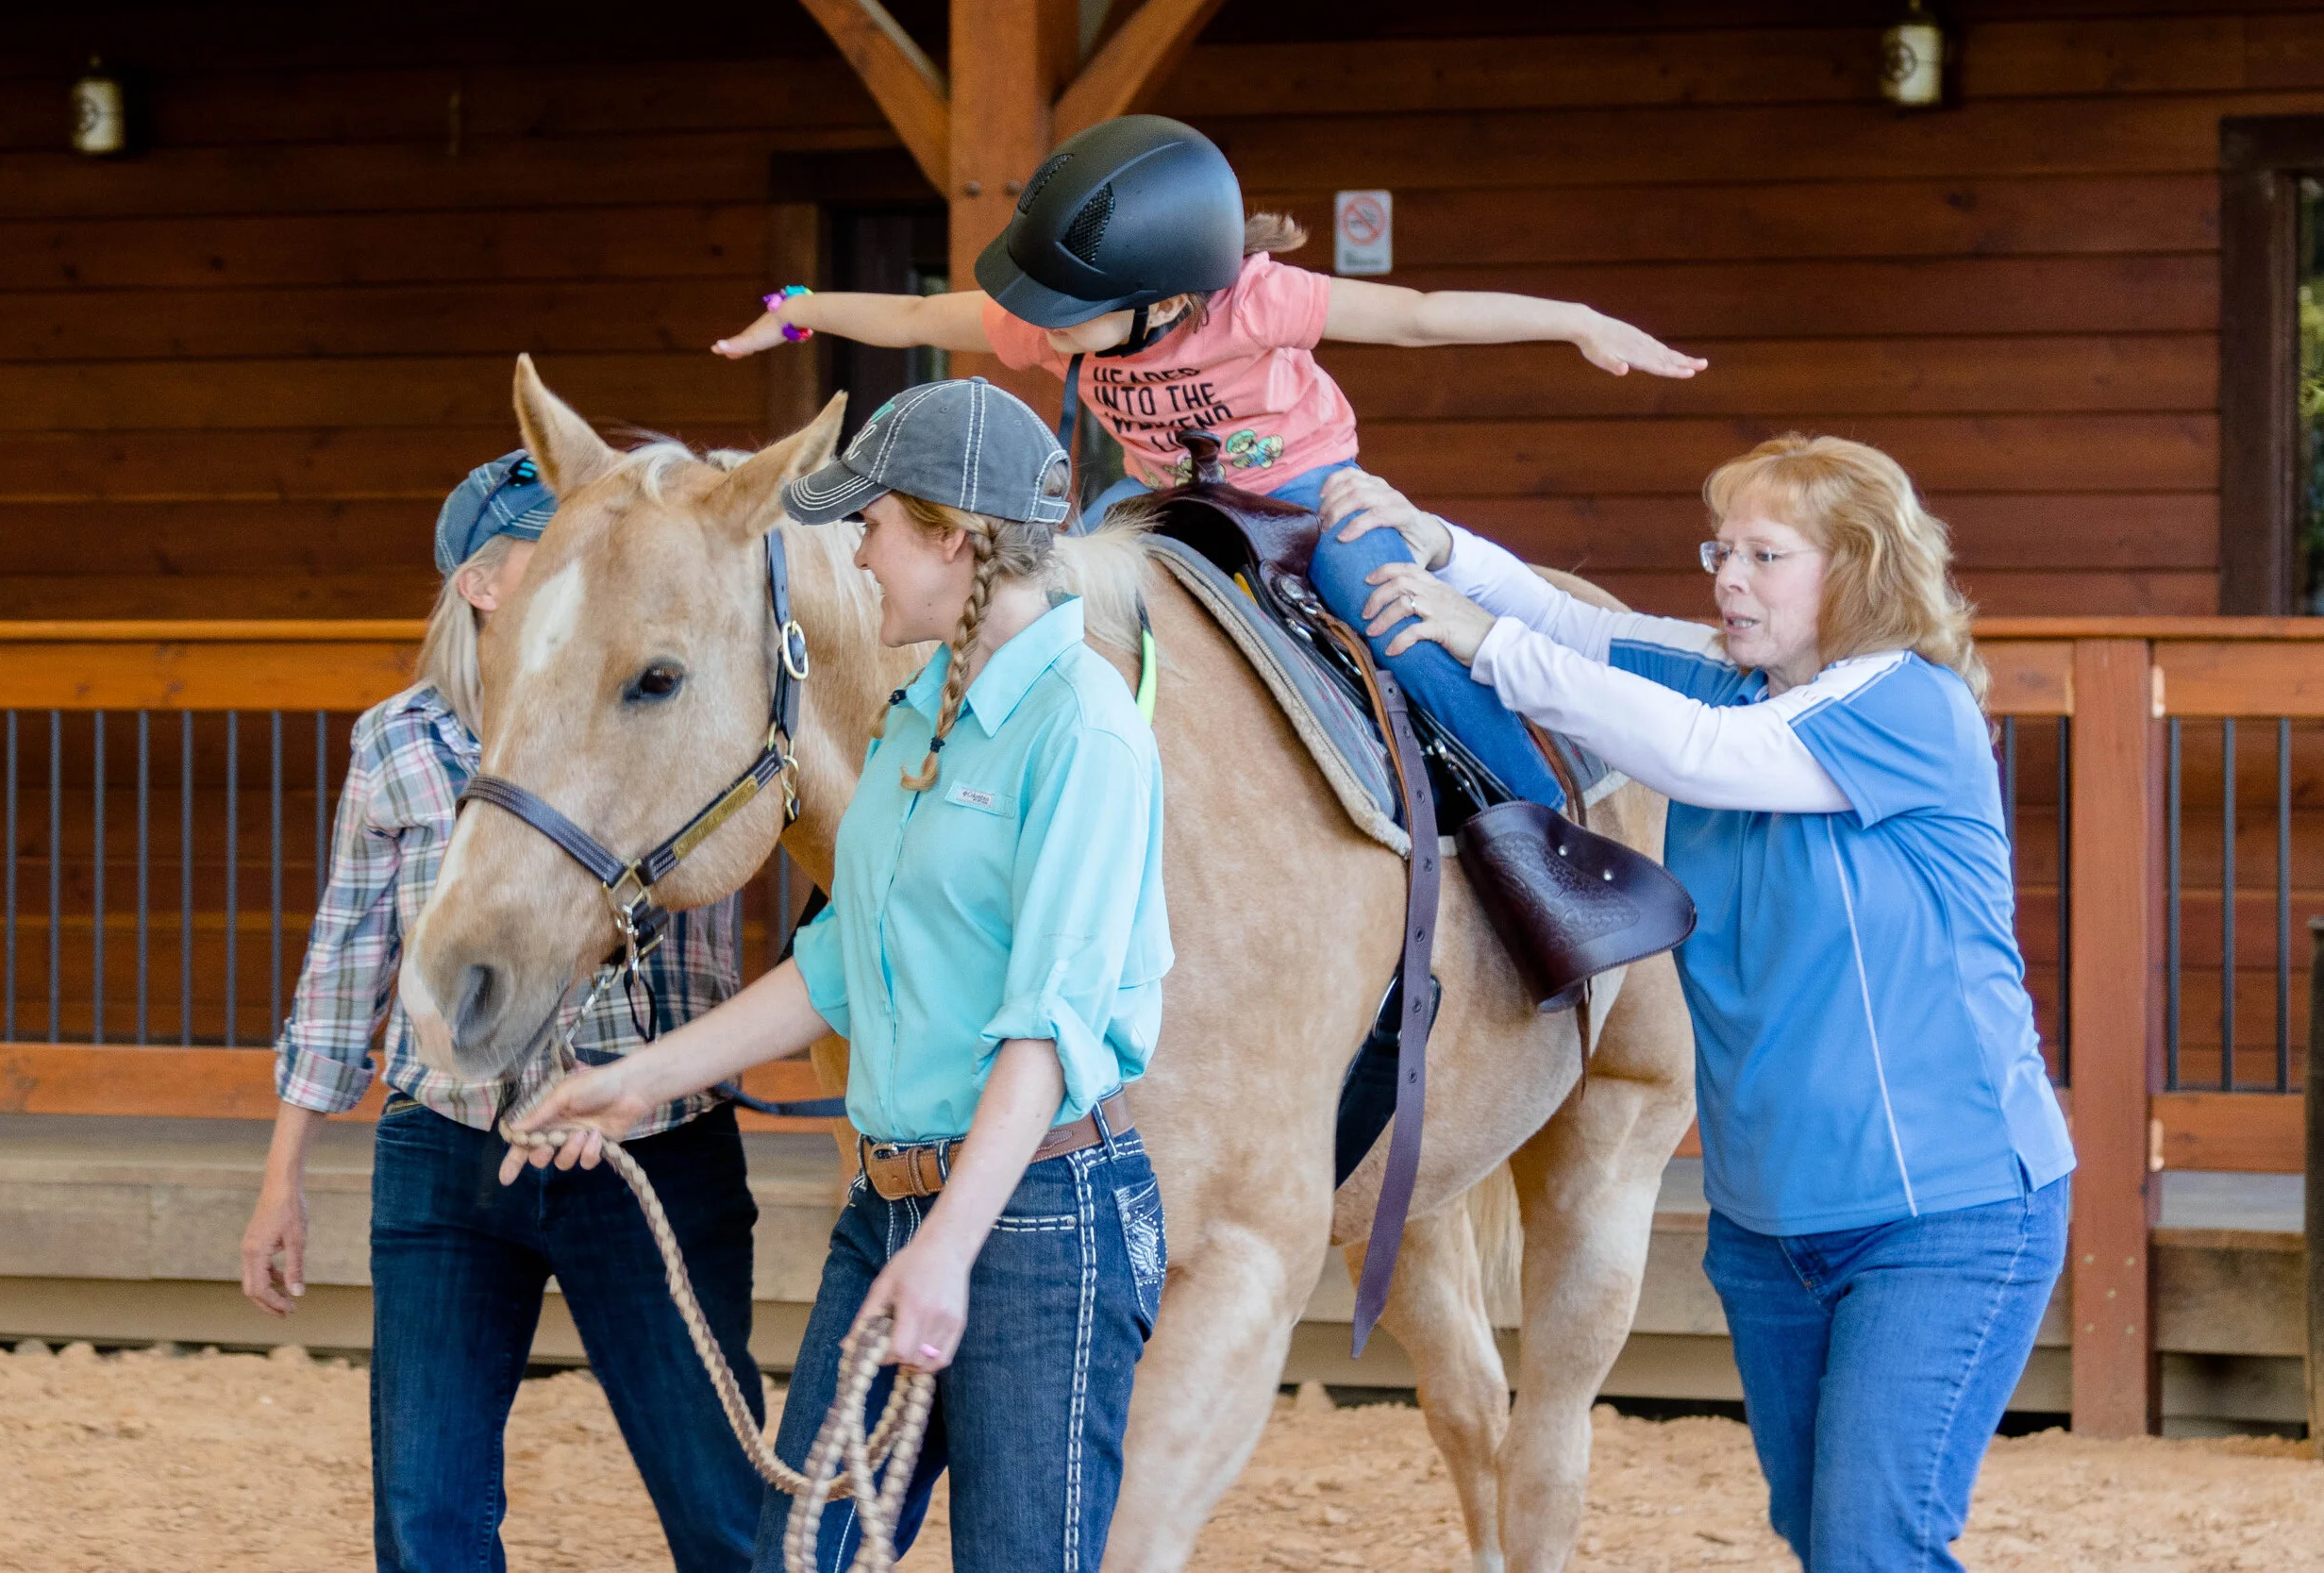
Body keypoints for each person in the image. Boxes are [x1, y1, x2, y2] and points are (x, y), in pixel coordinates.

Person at [1324, 437, 2075, 1572]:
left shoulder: (1901, 704)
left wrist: (1491, 646)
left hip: (1947, 1214)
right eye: (1720, 547)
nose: (1726, 575)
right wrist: (1437, 544)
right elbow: (1576, 624)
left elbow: (1698, 751)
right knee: (1822, 1536)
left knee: (1873, 1545)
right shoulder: (1735, 678)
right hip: (1773, 1227)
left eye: (1765, 554)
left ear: (1860, 570)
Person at [507, 378, 1172, 1573]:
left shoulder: (1086, 730)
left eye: (870, 525)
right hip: (891, 1203)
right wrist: (635, 1080)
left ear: (953, 540)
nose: (853, 552)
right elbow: (840, 964)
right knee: (791, 1558)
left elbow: (1049, 1029)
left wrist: (950, 1248)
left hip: (1036, 1218)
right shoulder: (919, 714)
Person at [712, 113, 1704, 812]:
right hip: (1166, 502)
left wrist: (1572, 321)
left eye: (1071, 309)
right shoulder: (1064, 325)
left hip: (1307, 495)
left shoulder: (1253, 302)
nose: (1046, 325)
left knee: (1385, 608)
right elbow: (921, 314)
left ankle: (1535, 810)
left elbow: (1416, 317)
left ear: (1163, 292)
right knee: (1050, 593)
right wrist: (796, 312)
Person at [239, 453, 765, 1573]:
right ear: (483, 582)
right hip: (446, 1157)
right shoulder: (398, 741)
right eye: (554, 540)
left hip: (651, 1157)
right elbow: (347, 961)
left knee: (725, 1516)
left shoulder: (678, 705)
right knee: (427, 1526)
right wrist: (282, 1175)